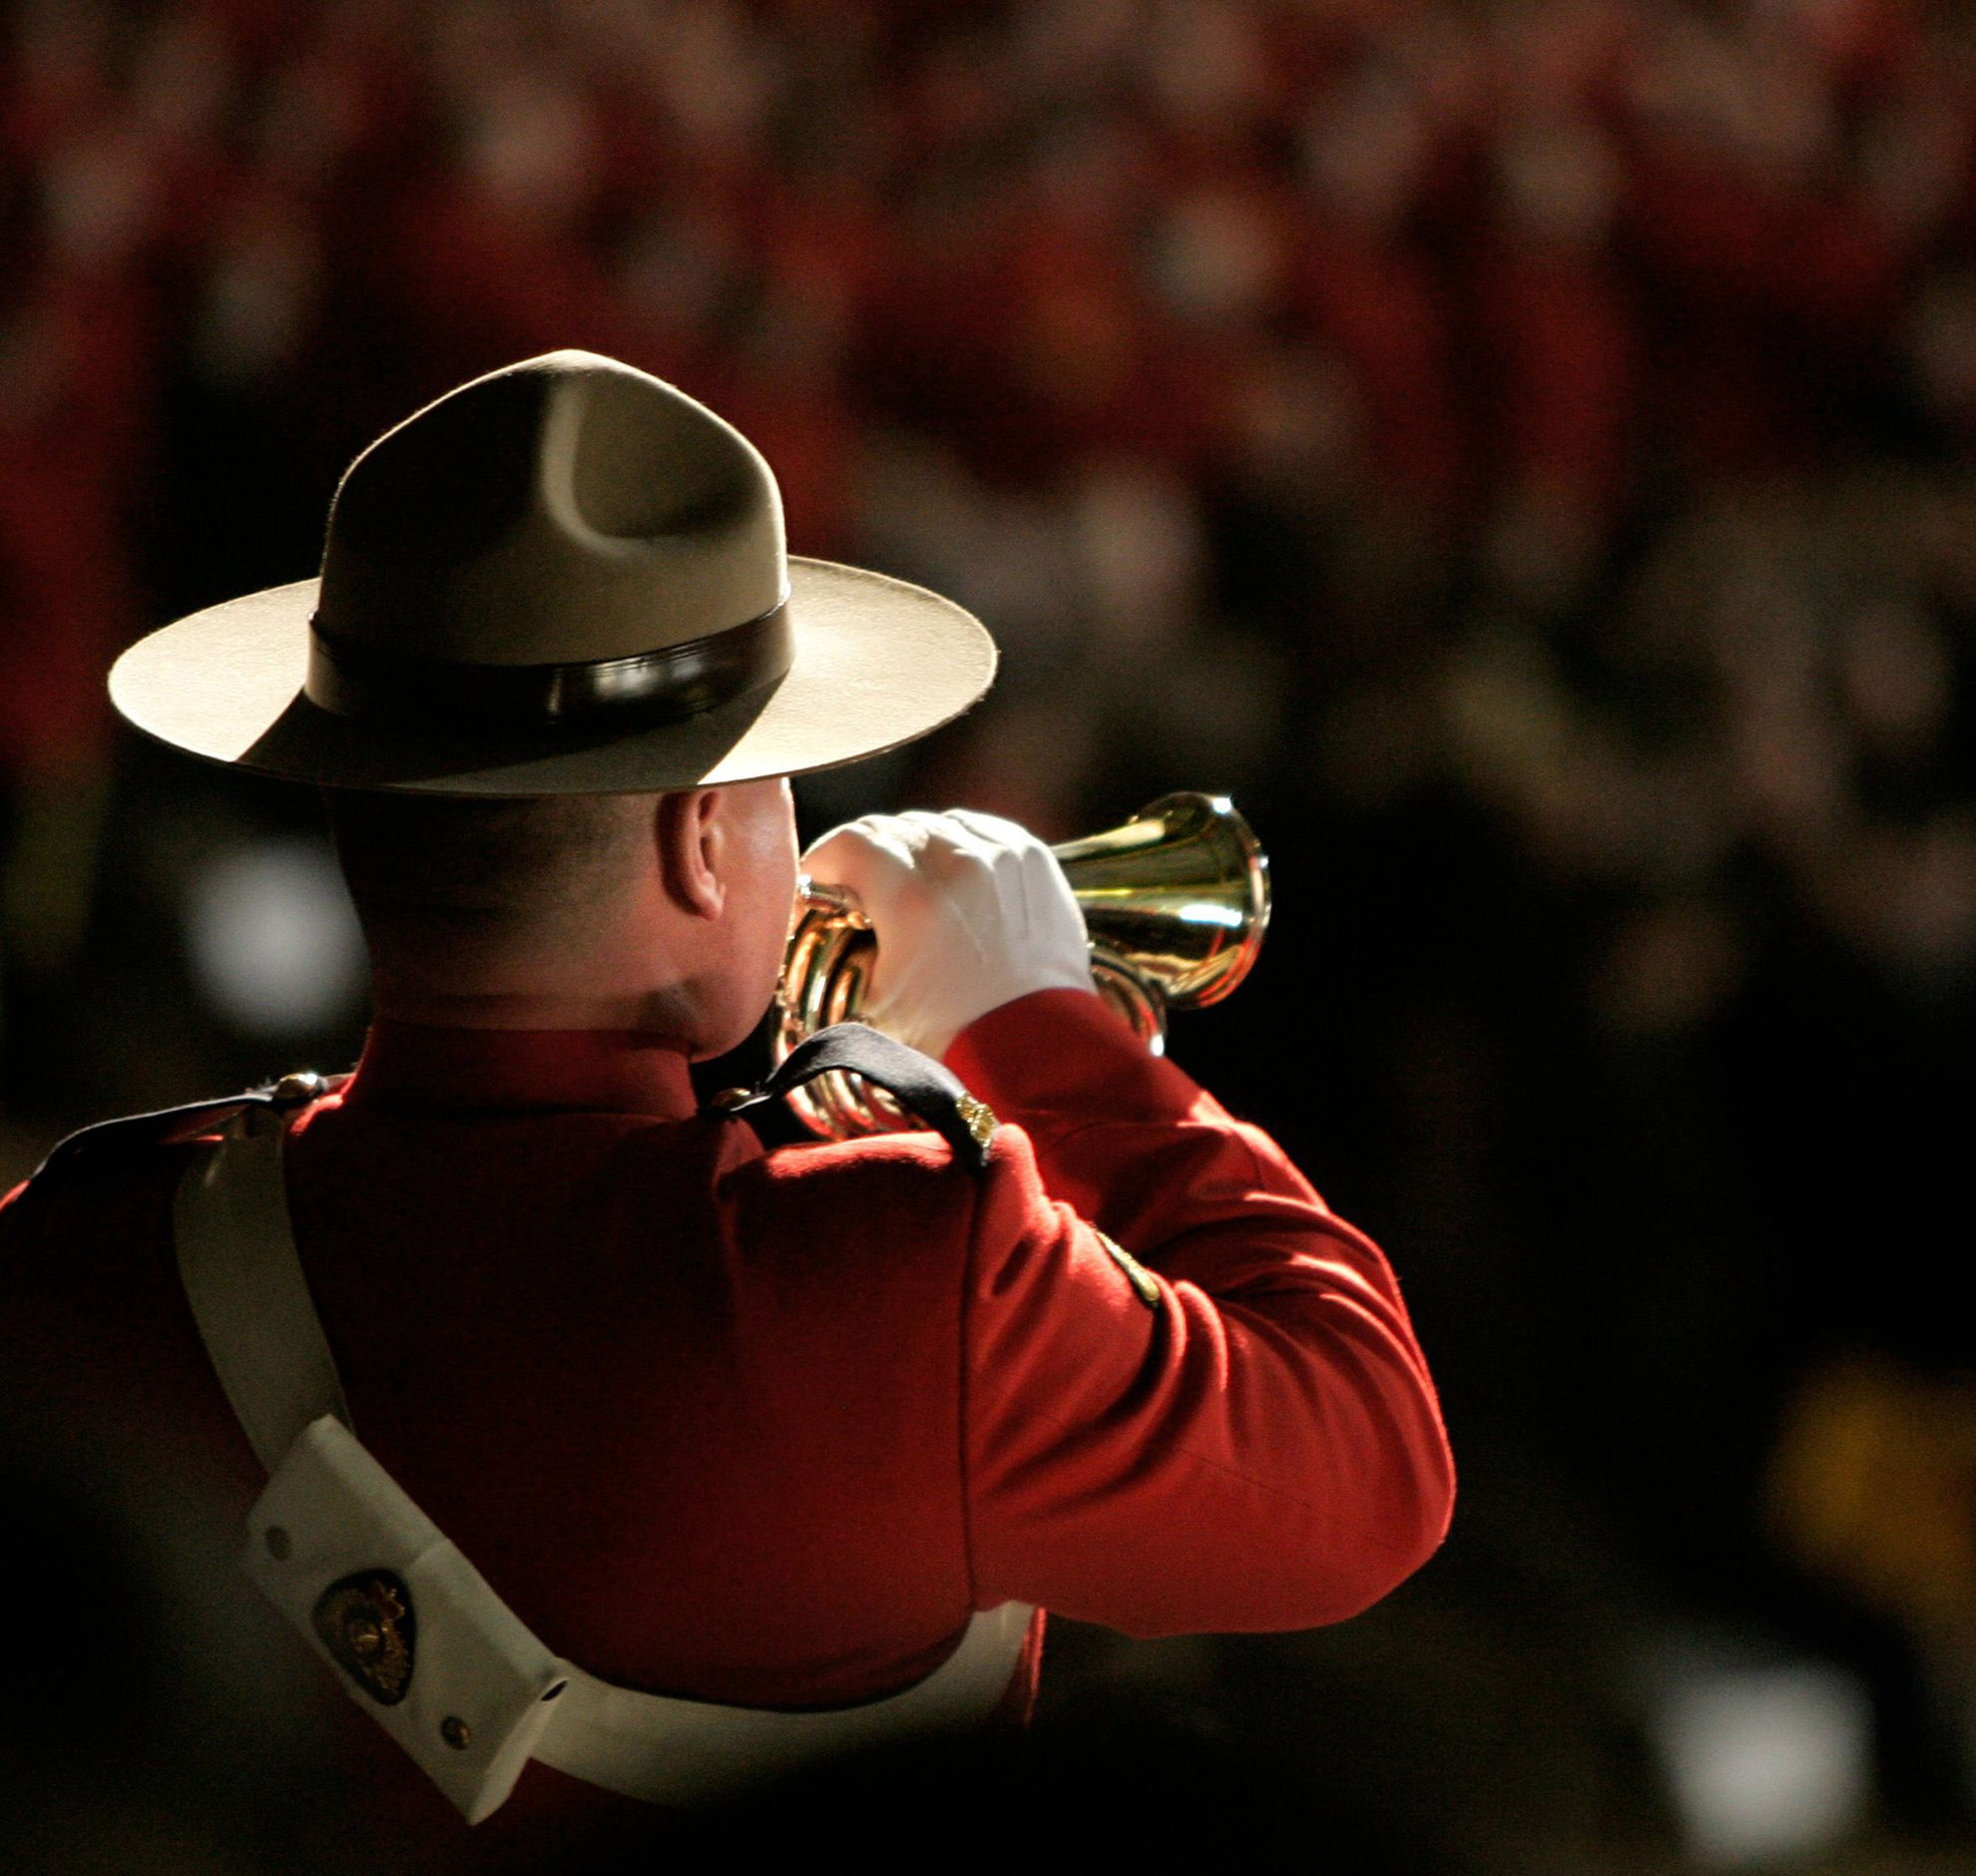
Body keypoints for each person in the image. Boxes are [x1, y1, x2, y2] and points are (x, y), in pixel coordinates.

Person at [0, 351, 1453, 1861]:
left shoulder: (77, 1252)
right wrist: (1039, 1026)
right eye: (777, 783)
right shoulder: (902, 1267)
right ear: (704, 839)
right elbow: (1370, 1461)